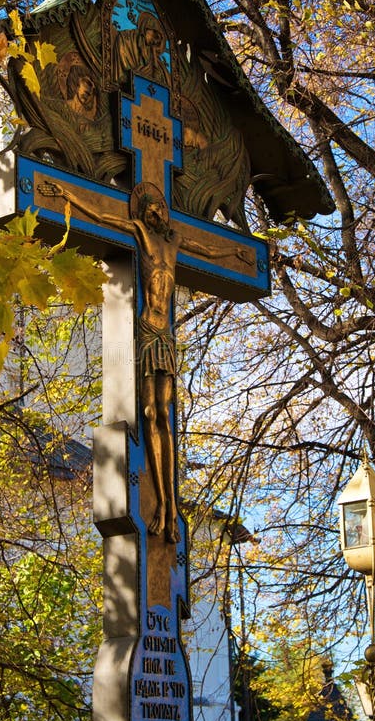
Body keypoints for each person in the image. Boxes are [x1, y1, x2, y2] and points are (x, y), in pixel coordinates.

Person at [38, 179, 243, 545]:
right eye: (150, 208)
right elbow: (101, 213)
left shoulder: (175, 242)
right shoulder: (137, 232)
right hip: (147, 331)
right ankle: (162, 506)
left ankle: (168, 505)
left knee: (164, 414)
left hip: (166, 337)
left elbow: (210, 249)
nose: (156, 212)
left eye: (160, 209)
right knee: (149, 412)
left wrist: (239, 254)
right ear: (143, 211)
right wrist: (67, 194)